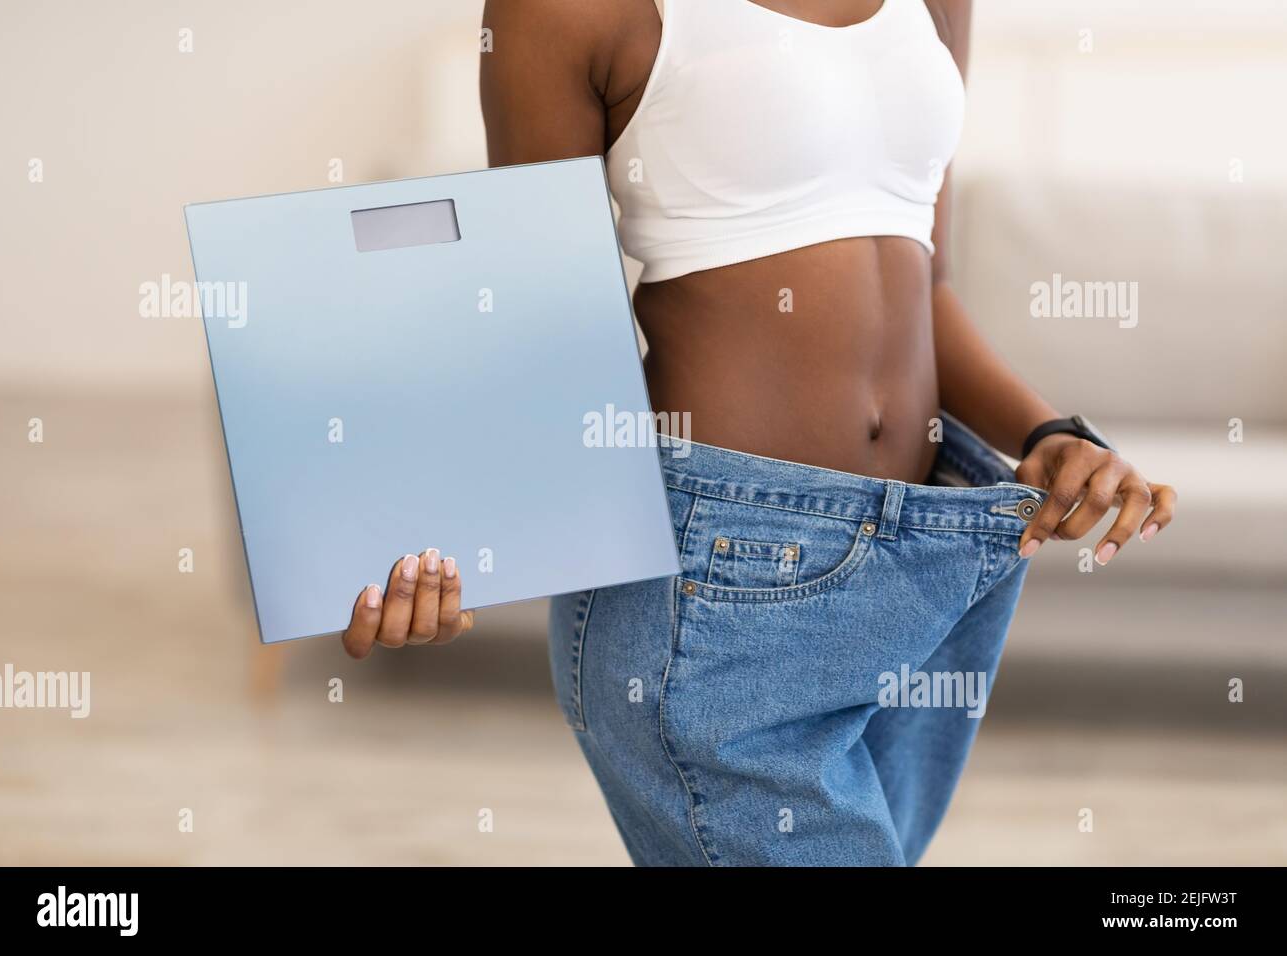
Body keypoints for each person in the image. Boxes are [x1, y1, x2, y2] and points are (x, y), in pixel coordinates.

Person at [340, 0, 1177, 866]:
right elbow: (536, 321)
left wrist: (1046, 432)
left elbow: (926, 280)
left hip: (931, 559)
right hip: (717, 593)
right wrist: (428, 544)